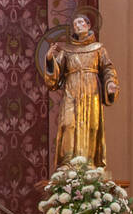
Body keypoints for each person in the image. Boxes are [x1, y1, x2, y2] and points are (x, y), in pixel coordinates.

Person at [40, 12, 120, 170]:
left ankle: (89, 163)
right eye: (75, 24)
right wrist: (49, 59)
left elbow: (107, 69)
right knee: (68, 124)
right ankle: (68, 163)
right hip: (72, 91)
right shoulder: (67, 50)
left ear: (88, 26)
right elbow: (54, 77)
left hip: (92, 92)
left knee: (91, 125)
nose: (78, 26)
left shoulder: (98, 49)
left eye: (81, 23)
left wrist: (110, 83)